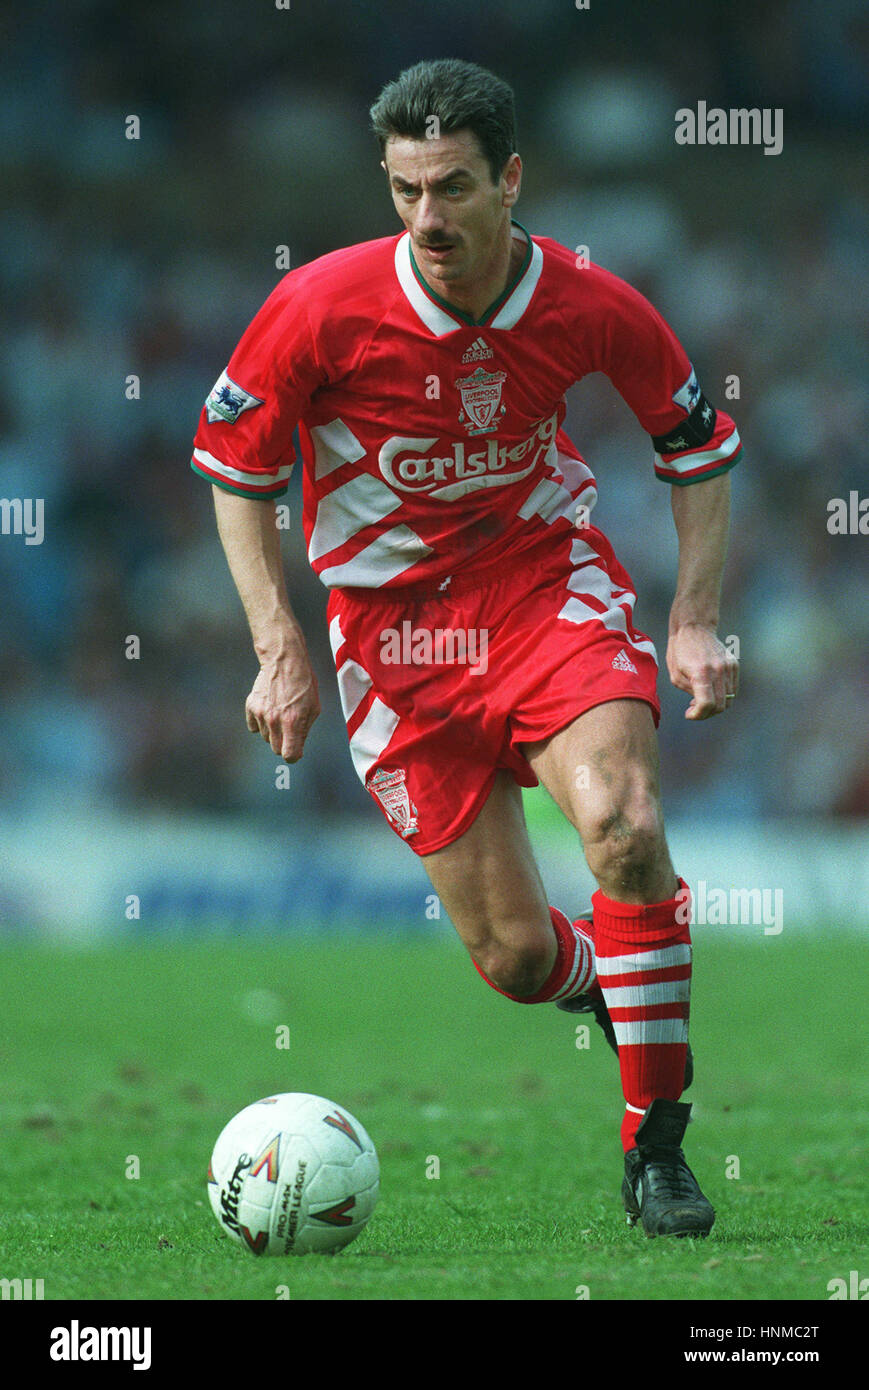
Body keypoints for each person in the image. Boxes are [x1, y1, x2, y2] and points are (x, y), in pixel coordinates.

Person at [192, 58, 742, 1238]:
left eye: (449, 187)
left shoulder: (592, 303)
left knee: (623, 824)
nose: (426, 218)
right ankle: (613, 985)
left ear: (510, 180)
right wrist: (277, 644)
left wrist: (692, 615)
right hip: (392, 645)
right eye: (403, 190)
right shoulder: (319, 307)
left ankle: (656, 1144)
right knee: (507, 955)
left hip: (540, 588)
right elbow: (240, 476)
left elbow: (693, 449)